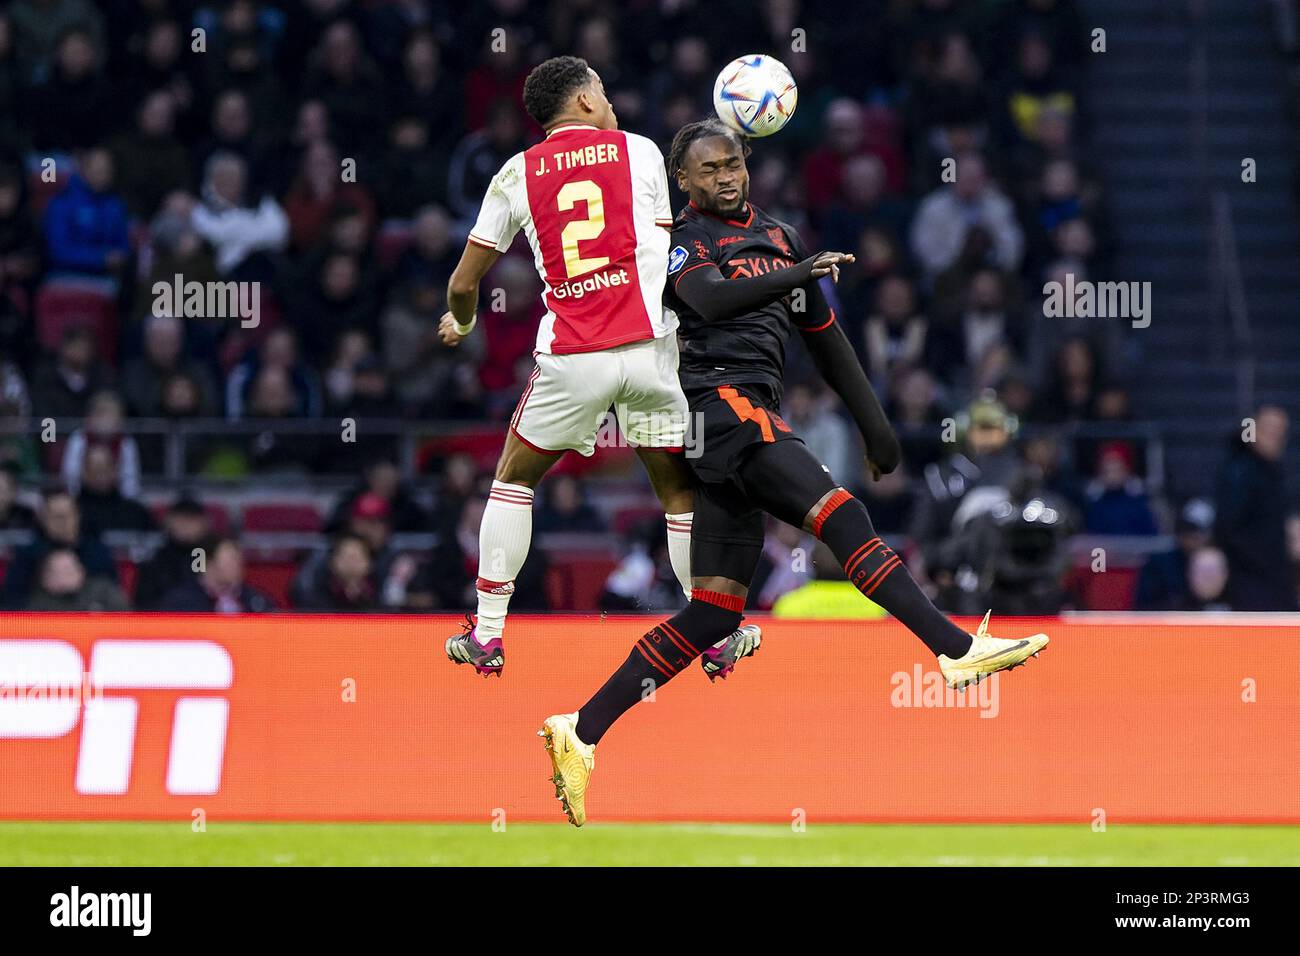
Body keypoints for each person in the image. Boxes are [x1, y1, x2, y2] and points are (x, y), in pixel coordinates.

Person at [539, 119, 1050, 826]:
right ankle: (955, 648)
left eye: (732, 164)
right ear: (683, 182)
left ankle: (581, 729)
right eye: (707, 169)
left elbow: (827, 340)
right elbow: (712, 300)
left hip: (745, 416)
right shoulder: (681, 241)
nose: (723, 177)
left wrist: (875, 427)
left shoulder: (781, 238)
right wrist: (800, 274)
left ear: (747, 165)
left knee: (715, 609)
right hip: (718, 404)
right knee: (842, 516)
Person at [435, 56, 748, 678]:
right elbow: (666, 253)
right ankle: (710, 634)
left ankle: (489, 635)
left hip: (575, 357)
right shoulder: (640, 153)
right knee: (679, 495)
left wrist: (463, 323)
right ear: (582, 102)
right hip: (652, 352)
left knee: (514, 480)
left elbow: (463, 282)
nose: (610, 102)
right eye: (602, 92)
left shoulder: (515, 173)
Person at [1214, 405, 1295, 610]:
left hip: (1275, 577)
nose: (1276, 435)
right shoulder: (1241, 471)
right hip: (1250, 580)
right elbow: (1229, 527)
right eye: (1269, 428)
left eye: (1280, 430)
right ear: (1253, 430)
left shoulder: (1272, 471)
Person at [159, 535, 275, 612]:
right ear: (209, 563)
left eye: (239, 560)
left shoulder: (253, 599)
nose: (237, 566)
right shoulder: (181, 601)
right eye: (230, 560)